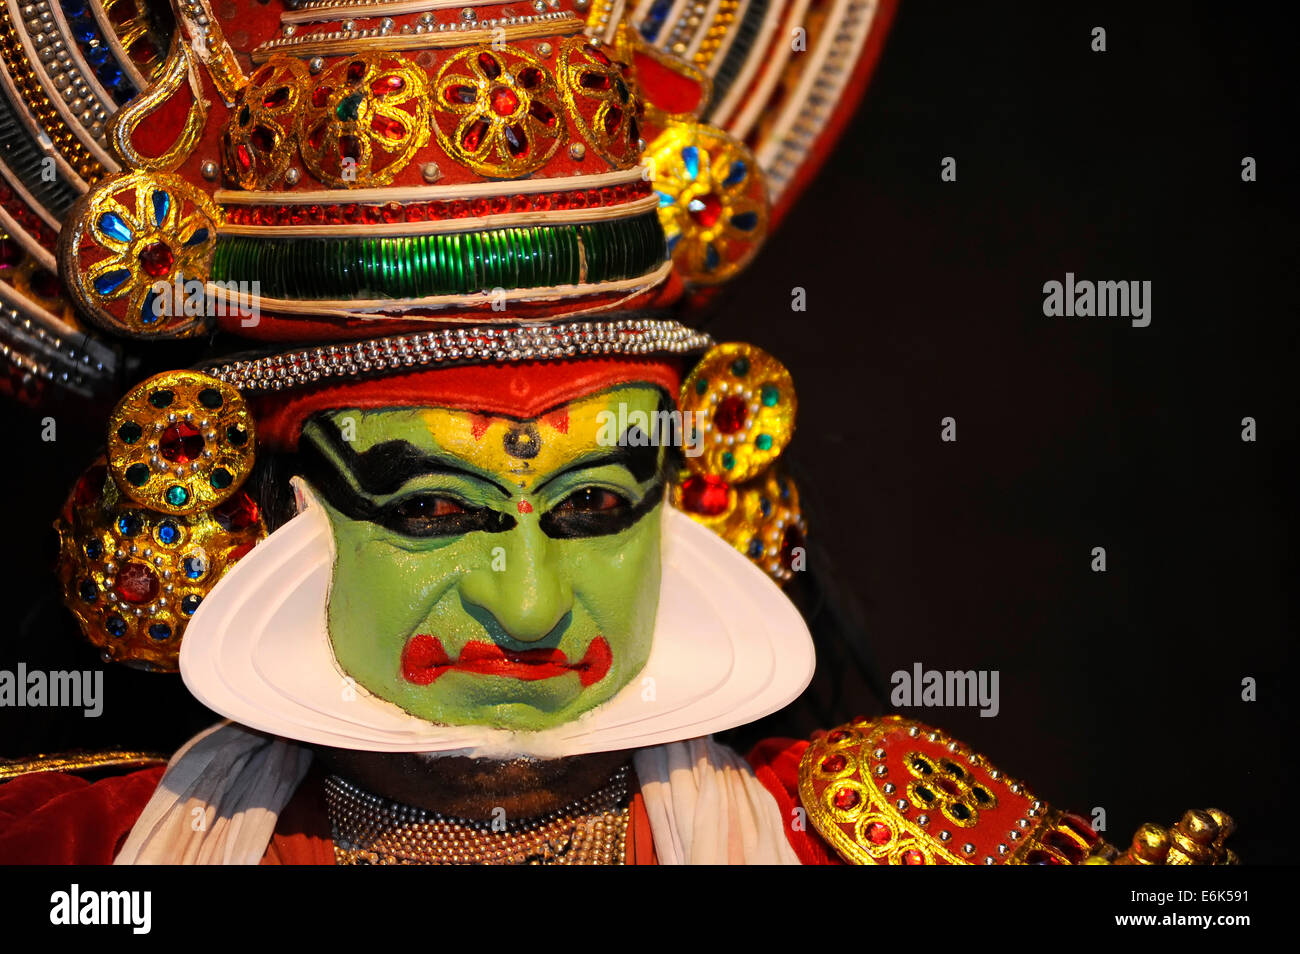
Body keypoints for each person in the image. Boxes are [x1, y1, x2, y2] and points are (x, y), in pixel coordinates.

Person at [0, 0, 1232, 865]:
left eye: (593, 505)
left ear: (687, 498)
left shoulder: (881, 839)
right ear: (253, 507)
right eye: (435, 510)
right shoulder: (76, 861)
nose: (530, 608)